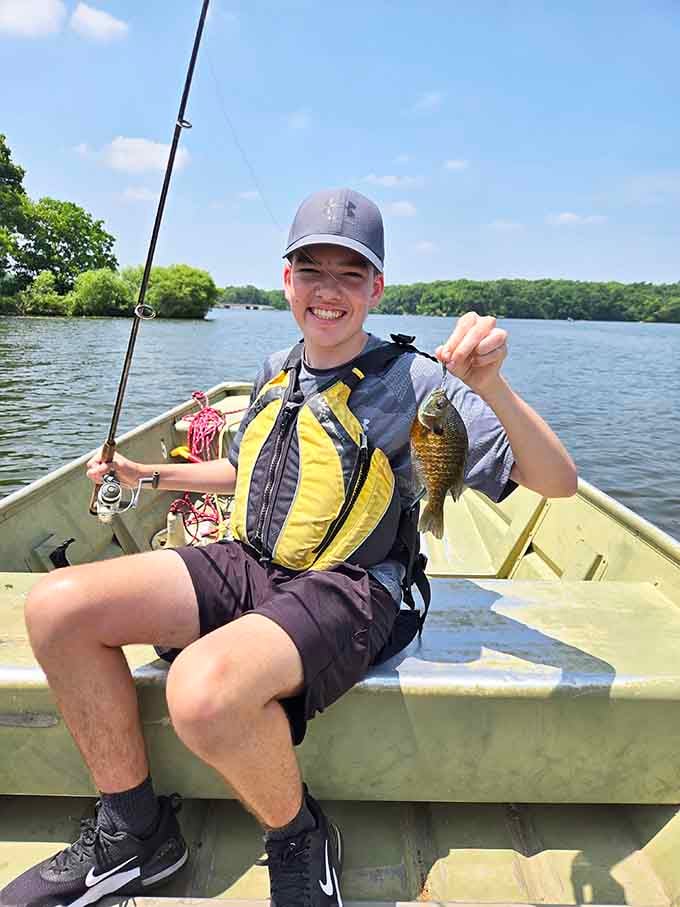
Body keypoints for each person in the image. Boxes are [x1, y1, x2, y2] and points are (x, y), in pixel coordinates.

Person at [0, 188, 577, 907]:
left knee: (202, 692)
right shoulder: (282, 365)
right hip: (251, 559)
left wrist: (493, 387)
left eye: (349, 272)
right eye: (311, 269)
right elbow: (246, 467)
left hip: (351, 584)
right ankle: (134, 833)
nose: (327, 290)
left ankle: (302, 840)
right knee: (57, 607)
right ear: (286, 280)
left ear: (377, 288)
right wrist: (146, 473)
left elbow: (557, 480)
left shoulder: (422, 382)